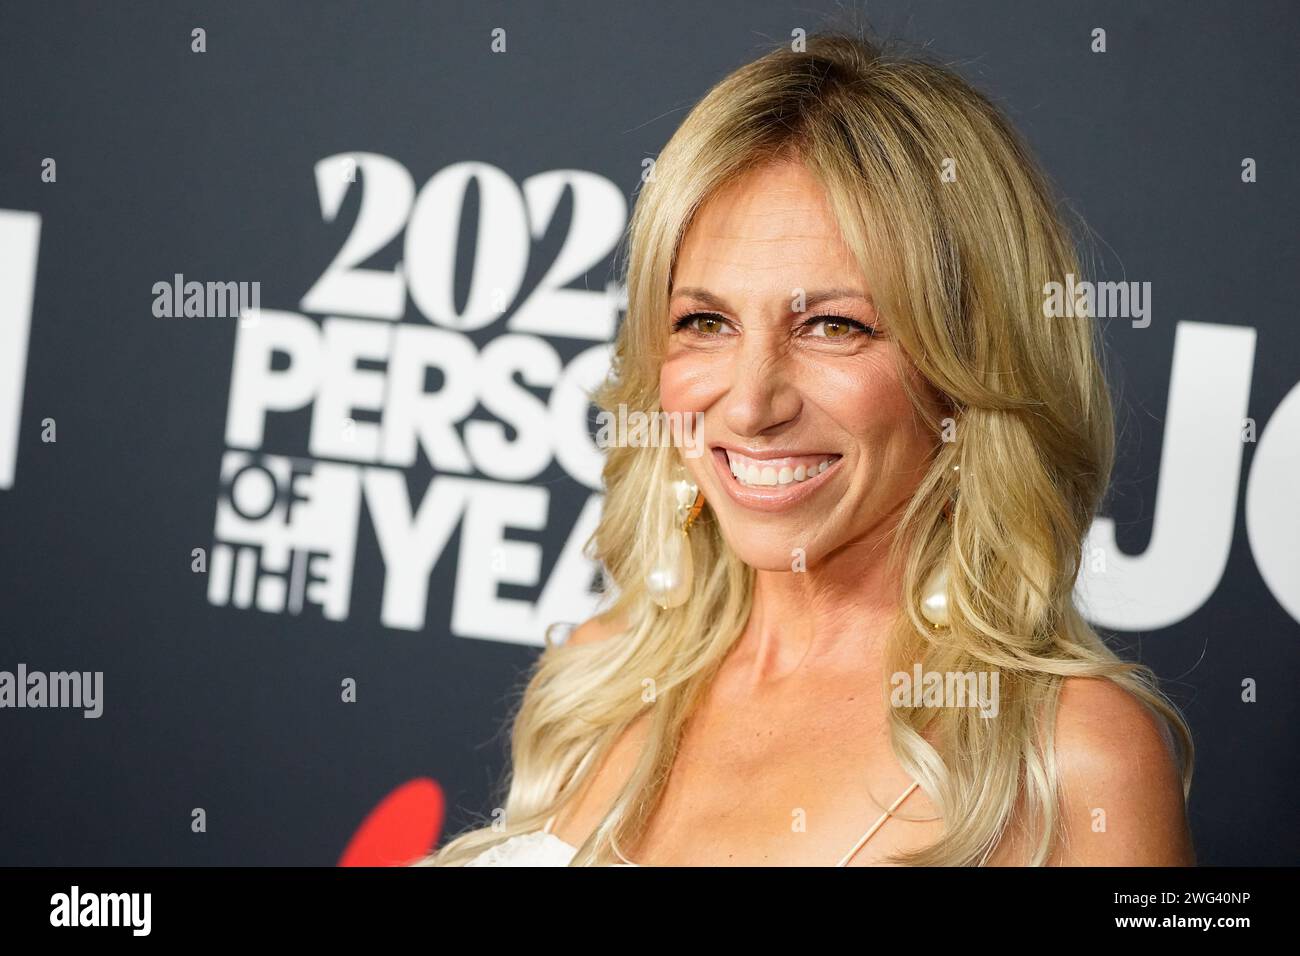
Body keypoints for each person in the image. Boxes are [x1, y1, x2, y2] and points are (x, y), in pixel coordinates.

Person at [417, 29, 1195, 867]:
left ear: (969, 368)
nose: (750, 405)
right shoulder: (600, 674)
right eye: (705, 322)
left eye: (833, 326)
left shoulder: (1066, 760)